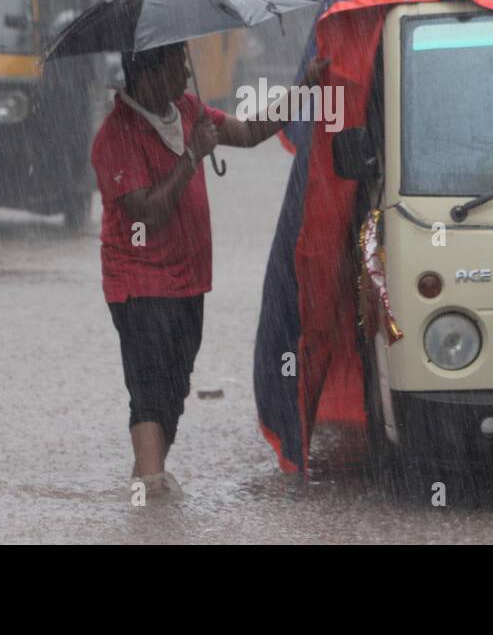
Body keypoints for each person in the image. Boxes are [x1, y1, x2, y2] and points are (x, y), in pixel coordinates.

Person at [90, 42, 327, 499]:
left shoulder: (188, 109)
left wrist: (303, 89)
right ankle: (150, 487)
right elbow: (146, 214)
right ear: (149, 74)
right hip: (138, 281)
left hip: (188, 279)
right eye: (177, 65)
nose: (186, 72)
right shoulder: (116, 135)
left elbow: (249, 131)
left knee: (176, 385)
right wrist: (191, 157)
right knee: (148, 381)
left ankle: (147, 474)